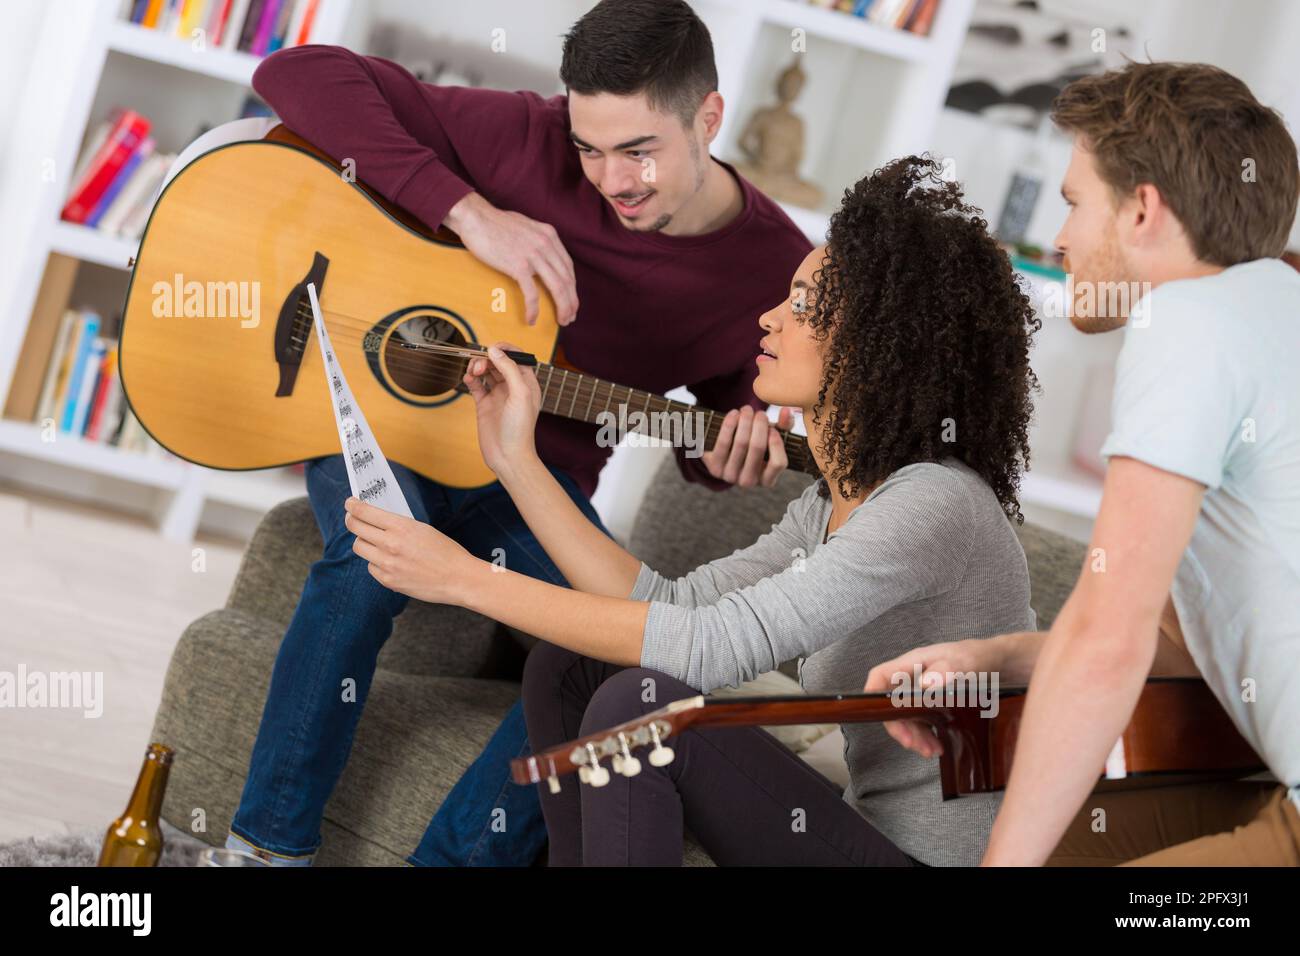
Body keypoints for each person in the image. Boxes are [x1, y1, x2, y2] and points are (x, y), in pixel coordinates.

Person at [225, 0, 811, 867]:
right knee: (375, 546)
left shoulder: (773, 266)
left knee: (635, 662)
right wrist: (468, 212)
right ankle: (263, 853)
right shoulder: (527, 139)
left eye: (639, 151)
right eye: (591, 148)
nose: (611, 180)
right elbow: (293, 73)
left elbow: (722, 426)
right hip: (388, 426)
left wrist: (736, 452)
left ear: (710, 118)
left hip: (536, 486)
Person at [343, 155, 1043, 865]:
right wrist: (515, 462)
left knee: (639, 709)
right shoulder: (828, 508)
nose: (769, 319)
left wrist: (463, 579)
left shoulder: (935, 502)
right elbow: (668, 603)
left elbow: (709, 647)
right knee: (573, 667)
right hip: (857, 833)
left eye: (801, 305)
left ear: (880, 346)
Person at [867, 62, 1300, 866]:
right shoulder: (1274, 301)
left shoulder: (1188, 321)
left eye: (1073, 203)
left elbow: (1111, 638)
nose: (1059, 238)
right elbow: (1177, 644)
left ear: (1142, 209)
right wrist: (994, 654)